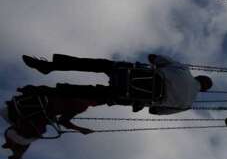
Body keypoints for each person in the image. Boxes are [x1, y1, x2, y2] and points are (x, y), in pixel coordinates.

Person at [20, 53, 212, 115]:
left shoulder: (183, 70)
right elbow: (156, 111)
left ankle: (50, 66)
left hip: (127, 74)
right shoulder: (186, 105)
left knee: (95, 65)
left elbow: (154, 57)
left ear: (198, 77)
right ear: (202, 91)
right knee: (88, 93)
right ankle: (39, 91)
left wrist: (157, 66)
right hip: (129, 95)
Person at [3, 93, 97, 159]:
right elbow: (63, 121)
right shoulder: (81, 105)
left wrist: (79, 129)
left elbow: (62, 119)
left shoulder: (72, 94)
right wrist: (80, 129)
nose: (94, 105)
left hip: (15, 109)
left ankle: (13, 148)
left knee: (34, 131)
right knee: (37, 132)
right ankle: (13, 147)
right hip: (28, 113)